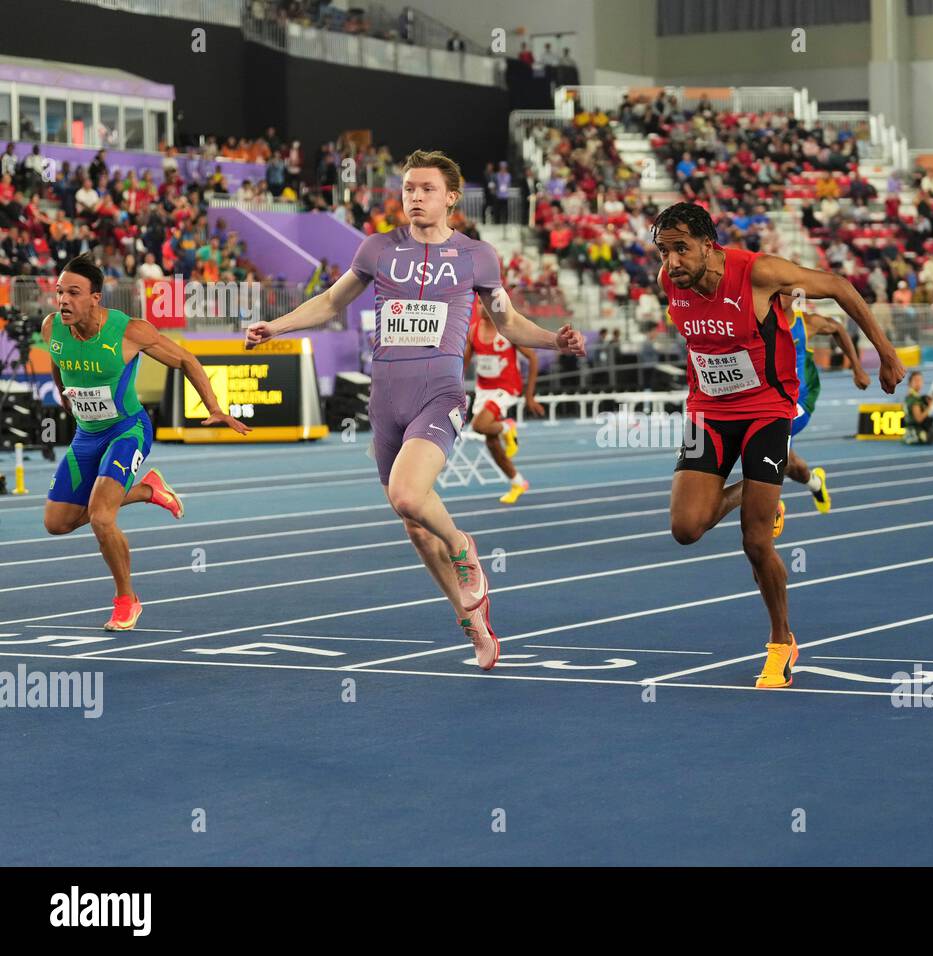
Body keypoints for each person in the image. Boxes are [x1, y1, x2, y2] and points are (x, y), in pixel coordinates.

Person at [244, 150, 586, 670]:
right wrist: (276, 326)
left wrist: (555, 341)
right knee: (412, 525)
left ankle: (462, 544)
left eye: (426, 189)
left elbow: (510, 322)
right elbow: (331, 303)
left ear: (451, 196)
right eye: (408, 189)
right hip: (386, 401)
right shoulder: (378, 248)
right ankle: (471, 620)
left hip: (439, 394)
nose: (415, 198)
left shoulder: (477, 256)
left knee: (409, 495)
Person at [655, 201, 904, 689]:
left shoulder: (759, 273)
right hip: (706, 410)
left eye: (681, 249)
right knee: (686, 527)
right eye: (664, 253)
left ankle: (780, 639)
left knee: (755, 540)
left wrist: (884, 353)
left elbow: (839, 287)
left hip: (768, 409)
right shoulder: (672, 283)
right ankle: (759, 484)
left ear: (710, 244)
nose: (672, 263)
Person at [43, 254, 250, 629]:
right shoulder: (51, 329)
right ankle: (146, 489)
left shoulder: (129, 331)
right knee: (56, 523)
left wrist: (215, 407)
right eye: (59, 292)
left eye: (73, 293)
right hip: (86, 435)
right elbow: (58, 361)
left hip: (126, 430)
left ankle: (126, 600)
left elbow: (186, 359)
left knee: (102, 518)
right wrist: (63, 395)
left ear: (95, 297)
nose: (63, 301)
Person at [778, 292, 873, 513]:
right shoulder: (760, 322)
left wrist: (857, 368)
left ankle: (771, 507)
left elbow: (838, 327)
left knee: (770, 435)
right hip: (773, 401)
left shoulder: (806, 323)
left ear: (794, 294)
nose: (779, 294)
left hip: (801, 400)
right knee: (790, 464)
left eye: (784, 290)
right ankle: (816, 483)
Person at [464, 299, 544, 504]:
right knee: (491, 442)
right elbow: (462, 365)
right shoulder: (473, 332)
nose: (481, 307)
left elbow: (533, 358)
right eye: (478, 304)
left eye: (485, 303)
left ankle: (508, 427)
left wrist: (529, 395)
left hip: (506, 388)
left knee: (479, 425)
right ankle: (518, 482)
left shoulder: (507, 330)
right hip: (484, 390)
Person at [903, 370, 933, 445]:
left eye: (920, 380)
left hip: (908, 434)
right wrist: (930, 406)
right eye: (916, 380)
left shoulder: (909, 396)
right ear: (910, 383)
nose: (919, 383)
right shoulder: (915, 400)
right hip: (918, 435)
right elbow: (919, 419)